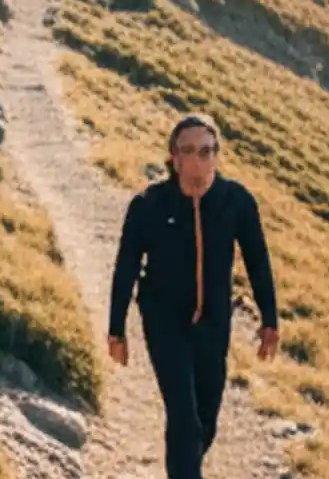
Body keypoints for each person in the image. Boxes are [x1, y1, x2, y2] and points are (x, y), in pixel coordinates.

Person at [106, 113, 281, 479]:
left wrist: (269, 321)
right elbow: (125, 267)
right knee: (183, 417)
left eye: (206, 151)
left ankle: (184, 468)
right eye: (189, 151)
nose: (199, 160)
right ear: (174, 157)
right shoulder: (148, 205)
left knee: (205, 421)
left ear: (217, 154)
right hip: (163, 319)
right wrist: (116, 329)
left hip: (214, 321)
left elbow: (258, 262)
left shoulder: (237, 202)